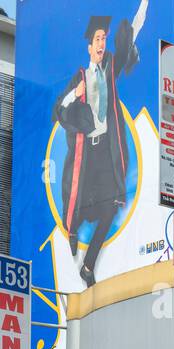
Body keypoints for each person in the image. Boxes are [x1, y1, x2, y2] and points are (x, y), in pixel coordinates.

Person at [53, 2, 148, 288]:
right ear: (88, 47)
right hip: (85, 155)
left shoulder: (109, 70)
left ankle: (88, 265)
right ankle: (71, 231)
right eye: (97, 39)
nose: (102, 43)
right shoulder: (79, 78)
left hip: (106, 151)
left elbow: (133, 32)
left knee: (109, 208)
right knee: (80, 205)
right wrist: (75, 95)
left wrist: (144, 5)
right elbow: (59, 110)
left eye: (104, 39)